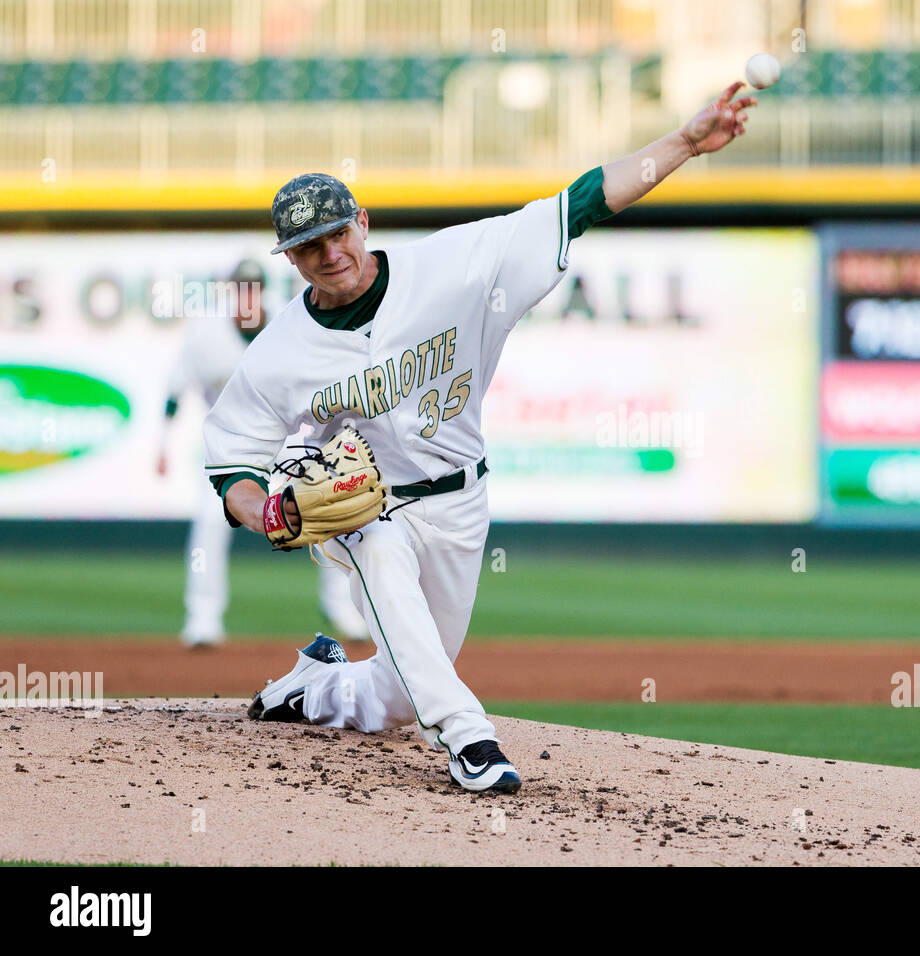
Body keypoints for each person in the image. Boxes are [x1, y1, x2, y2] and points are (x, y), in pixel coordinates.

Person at [204, 83, 755, 793]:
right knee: (382, 559)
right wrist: (265, 512)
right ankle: (472, 739)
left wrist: (682, 142)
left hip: (463, 501)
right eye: (307, 247)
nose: (327, 253)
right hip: (369, 507)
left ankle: (311, 689)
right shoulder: (279, 353)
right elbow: (230, 461)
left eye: (336, 233)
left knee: (398, 696)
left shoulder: (455, 266)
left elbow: (580, 203)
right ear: (289, 258)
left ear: (362, 223)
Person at [160, 260, 367, 647]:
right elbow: (175, 389)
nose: (248, 296)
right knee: (209, 526)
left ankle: (343, 608)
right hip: (228, 447)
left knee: (331, 513)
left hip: (288, 442)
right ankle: (203, 621)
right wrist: (162, 445)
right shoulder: (206, 332)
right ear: (230, 291)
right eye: (241, 288)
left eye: (254, 287)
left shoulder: (288, 323)